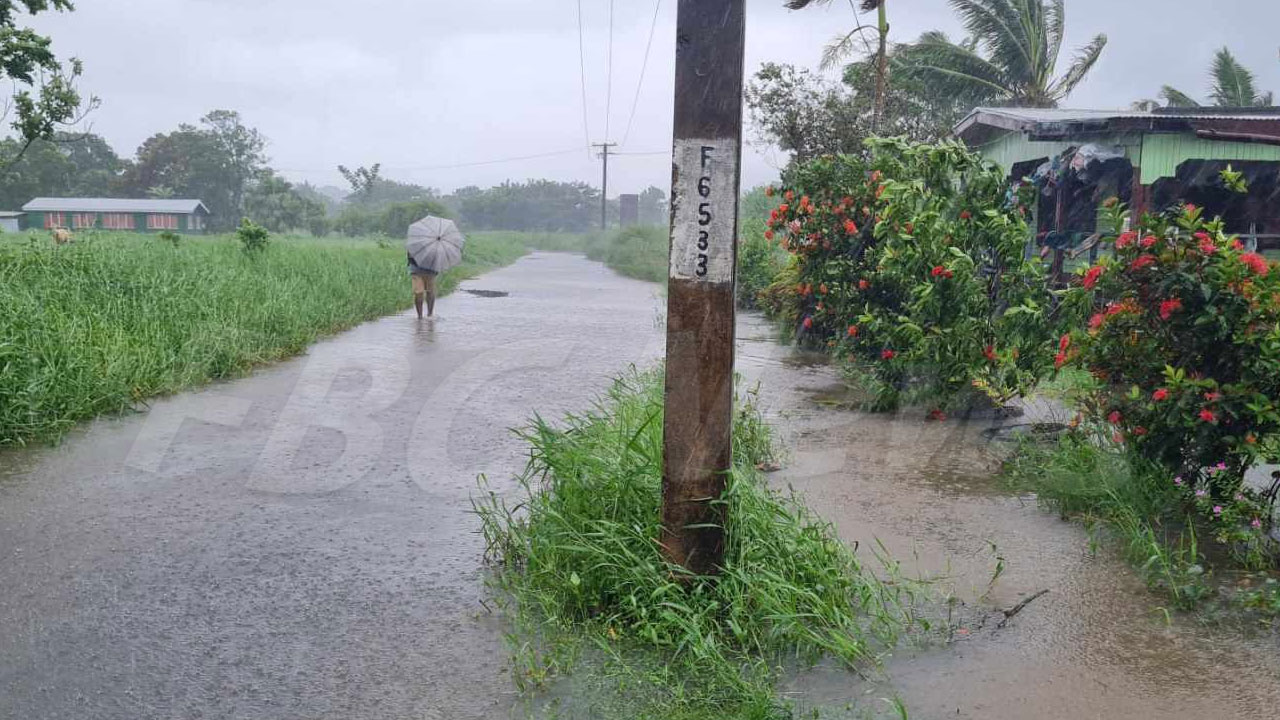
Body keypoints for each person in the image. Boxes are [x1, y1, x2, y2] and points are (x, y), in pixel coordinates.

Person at [408, 253, 438, 318]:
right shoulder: (416, 245)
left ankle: (428, 314)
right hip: (417, 270)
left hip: (429, 270)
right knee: (419, 293)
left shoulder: (416, 244)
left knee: (429, 291)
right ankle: (421, 316)